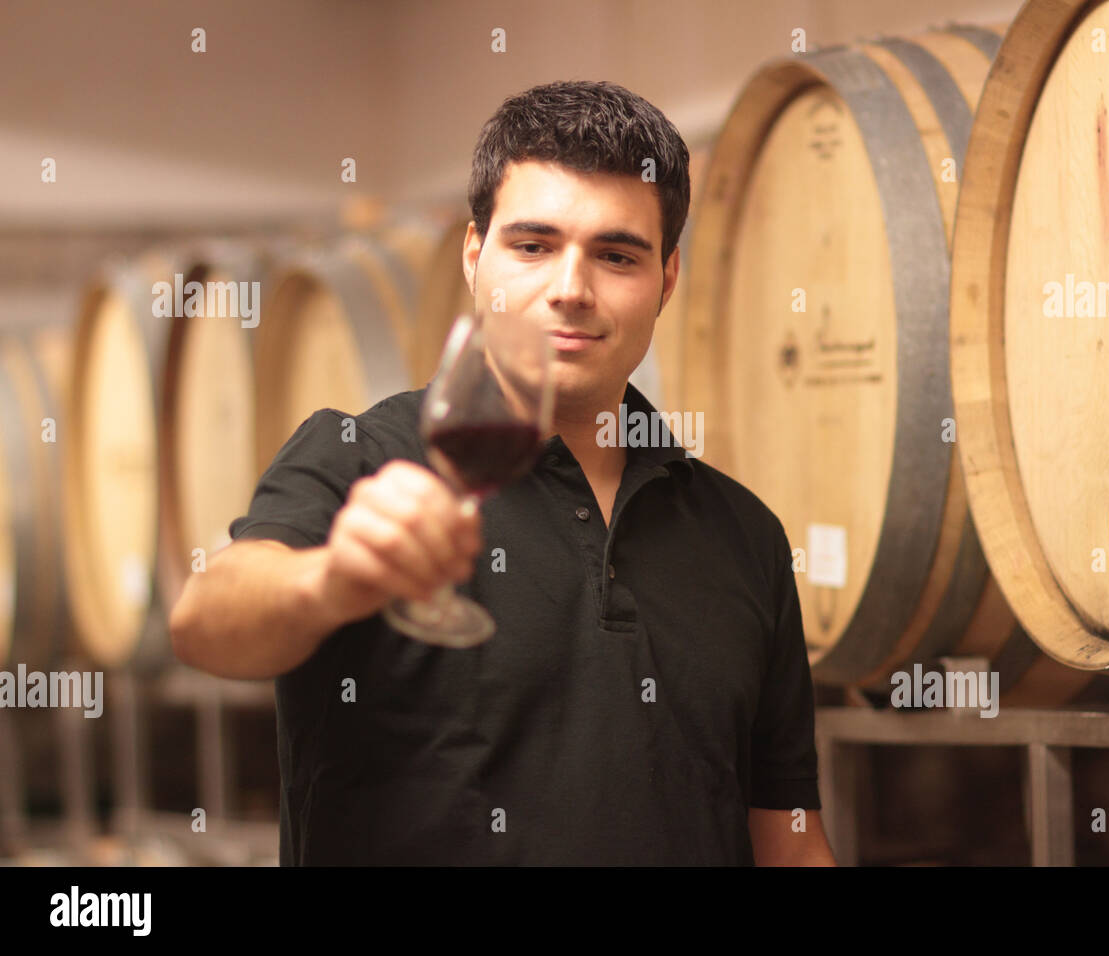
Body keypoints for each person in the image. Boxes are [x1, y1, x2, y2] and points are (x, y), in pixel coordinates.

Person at [170, 79, 837, 866]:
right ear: (473, 254)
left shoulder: (744, 535)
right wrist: (330, 582)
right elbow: (206, 623)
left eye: (616, 255)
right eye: (533, 246)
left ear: (667, 279)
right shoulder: (359, 456)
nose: (570, 289)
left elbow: (785, 833)